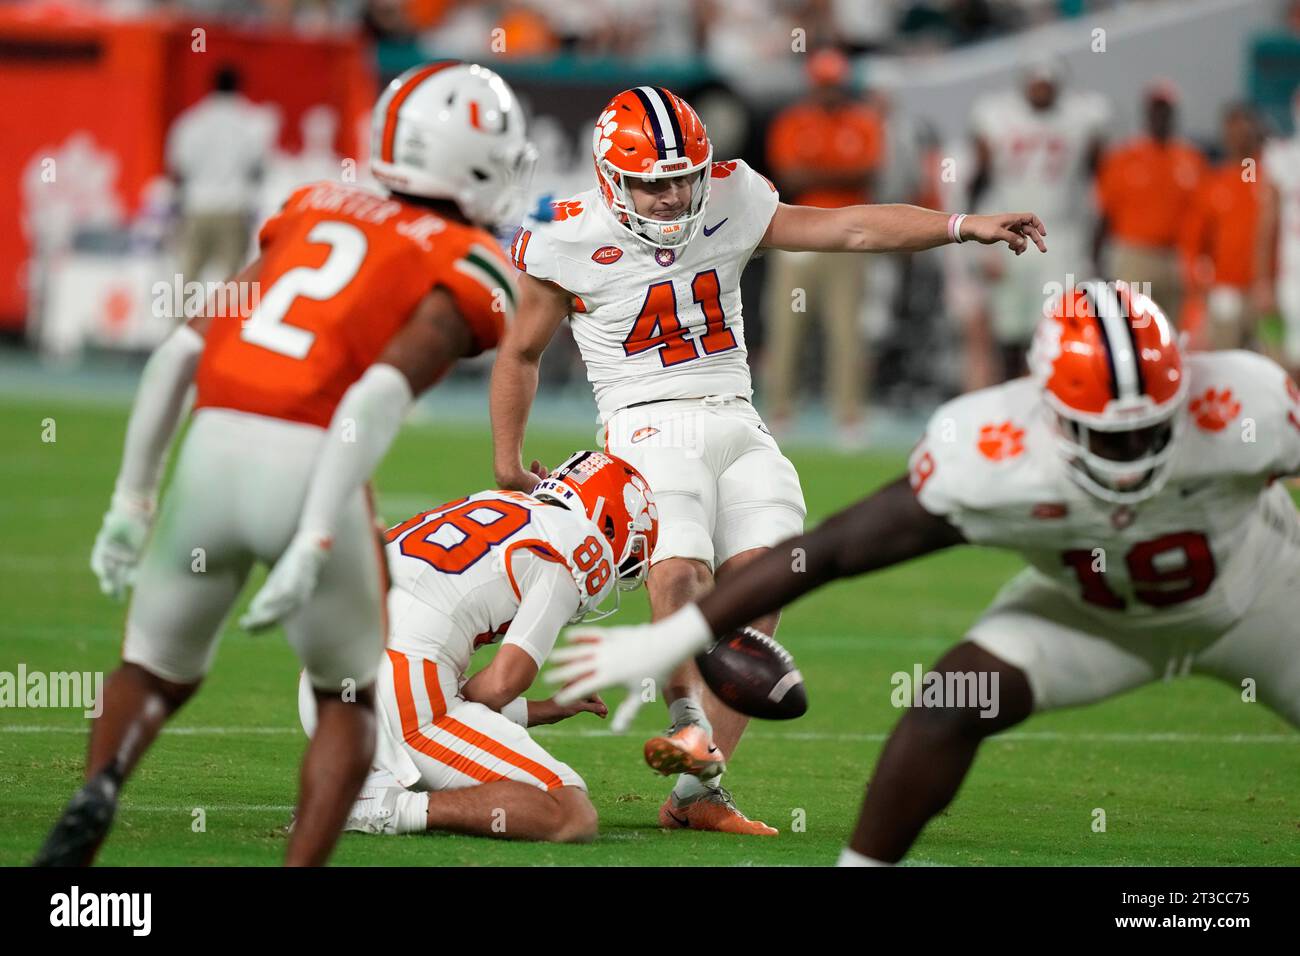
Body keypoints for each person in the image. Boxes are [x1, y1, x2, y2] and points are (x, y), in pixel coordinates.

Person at [550, 280, 1300, 866]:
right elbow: (835, 550)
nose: (1130, 456)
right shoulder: (991, 449)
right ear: (1046, 408)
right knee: (947, 701)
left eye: (1148, 431)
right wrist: (678, 633)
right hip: (1091, 611)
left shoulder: (1247, 400)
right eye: (1107, 434)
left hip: (1261, 592)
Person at [490, 83, 1046, 835]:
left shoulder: (732, 196)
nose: (671, 197)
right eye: (653, 185)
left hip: (738, 416)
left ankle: (699, 792)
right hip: (646, 424)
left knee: (768, 580)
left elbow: (849, 228)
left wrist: (959, 224)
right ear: (611, 180)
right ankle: (686, 725)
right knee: (681, 570)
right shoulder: (566, 237)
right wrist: (509, 460)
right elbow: (520, 352)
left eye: (682, 178)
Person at [33, 62, 534, 867]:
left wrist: (130, 502)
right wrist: (311, 536)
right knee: (348, 700)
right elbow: (371, 398)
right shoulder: (471, 259)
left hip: (209, 449)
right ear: (479, 160)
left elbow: (176, 358)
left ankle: (100, 787)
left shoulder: (310, 209)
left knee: (153, 668)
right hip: (309, 461)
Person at [299, 452, 658, 842]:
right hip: (397, 695)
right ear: (608, 523)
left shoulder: (493, 500)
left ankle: (373, 780)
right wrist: (464, 701)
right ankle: (387, 807)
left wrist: (540, 711)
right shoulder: (576, 543)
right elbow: (503, 682)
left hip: (322, 685)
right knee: (569, 813)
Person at [762, 47, 884, 447]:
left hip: (847, 234)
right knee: (786, 325)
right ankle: (779, 409)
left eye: (835, 85)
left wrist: (819, 172)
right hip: (798, 233)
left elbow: (867, 171)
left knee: (846, 328)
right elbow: (789, 175)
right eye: (824, 85)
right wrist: (836, 174)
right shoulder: (793, 121)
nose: (830, 93)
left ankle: (849, 416)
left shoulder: (862, 121)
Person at [967, 60, 1108, 384]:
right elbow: (980, 182)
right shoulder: (997, 116)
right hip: (1009, 231)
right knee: (1009, 331)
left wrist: (1093, 250)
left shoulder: (1083, 117)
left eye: (1048, 84)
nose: (1041, 90)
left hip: (1059, 235)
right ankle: (1010, 402)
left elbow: (1097, 182)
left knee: (1057, 327)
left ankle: (1051, 398)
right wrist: (977, 246)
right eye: (1036, 83)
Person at [1096, 81, 1205, 325]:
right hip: (1135, 254)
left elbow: (1203, 215)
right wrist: (1096, 261)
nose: (1160, 115)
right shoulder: (1124, 157)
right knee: (1134, 326)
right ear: (1146, 113)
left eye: (1165, 109)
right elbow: (1105, 213)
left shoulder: (1190, 158)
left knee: (1171, 329)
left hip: (1176, 257)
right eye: (1156, 109)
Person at [166, 65, 274, 307]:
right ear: (238, 86)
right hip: (232, 210)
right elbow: (258, 170)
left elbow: (179, 169)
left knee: (187, 280)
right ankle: (224, 338)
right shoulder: (250, 123)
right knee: (232, 283)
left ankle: (180, 337)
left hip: (197, 209)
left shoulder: (191, 122)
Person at [1181, 104, 1262, 350]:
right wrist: (1201, 287)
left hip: (1264, 292)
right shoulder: (1213, 183)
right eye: (1232, 132)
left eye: (1244, 131)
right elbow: (1193, 241)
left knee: (1273, 364)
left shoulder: (1269, 177)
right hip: (1225, 290)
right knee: (1227, 359)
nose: (1238, 138)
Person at [1256, 87, 1300, 377]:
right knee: (1288, 368)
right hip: (1292, 281)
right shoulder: (1283, 157)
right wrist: (1263, 281)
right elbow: (1266, 227)